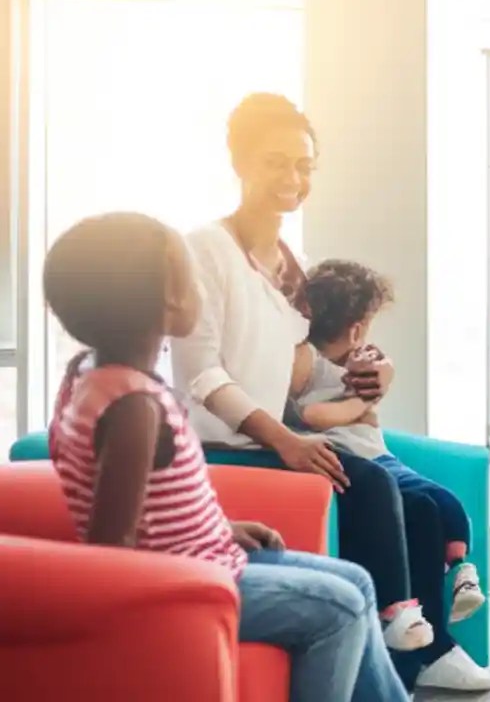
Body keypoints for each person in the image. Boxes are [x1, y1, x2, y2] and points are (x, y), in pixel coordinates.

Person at [169, 93, 490, 691]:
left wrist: (376, 373)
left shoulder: (297, 264)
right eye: (275, 162)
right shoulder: (203, 249)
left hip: (280, 433)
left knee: (422, 505)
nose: (293, 179)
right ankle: (400, 652)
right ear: (239, 162)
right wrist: (286, 439)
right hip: (232, 443)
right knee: (367, 482)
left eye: (304, 165)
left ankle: (424, 651)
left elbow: (315, 360)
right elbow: (202, 374)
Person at [44, 212, 409, 702]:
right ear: (168, 300)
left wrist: (221, 528)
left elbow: (151, 506)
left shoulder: (90, 377)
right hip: (188, 585)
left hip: (205, 555)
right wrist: (203, 563)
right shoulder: (133, 409)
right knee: (340, 609)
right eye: (191, 277)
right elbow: (115, 552)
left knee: (358, 581)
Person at [289, 259, 486, 627]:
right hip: (355, 462)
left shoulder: (364, 361)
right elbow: (309, 415)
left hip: (378, 455)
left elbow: (383, 371)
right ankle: (412, 618)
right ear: (357, 328)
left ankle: (460, 570)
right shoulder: (308, 360)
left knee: (440, 501)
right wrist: (360, 406)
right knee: (424, 505)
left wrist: (379, 378)